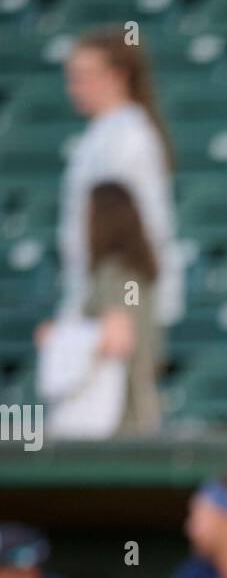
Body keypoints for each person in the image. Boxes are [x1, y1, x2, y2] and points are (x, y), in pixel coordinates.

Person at [55, 26, 183, 334]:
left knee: (130, 384)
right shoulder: (103, 134)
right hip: (104, 292)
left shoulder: (127, 137)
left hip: (121, 296)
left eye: (85, 76)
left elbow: (123, 230)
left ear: (117, 76)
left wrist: (119, 306)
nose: (75, 87)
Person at [38, 182, 161, 435]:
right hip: (135, 411)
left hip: (119, 416)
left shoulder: (121, 276)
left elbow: (121, 336)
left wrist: (60, 337)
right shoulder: (131, 276)